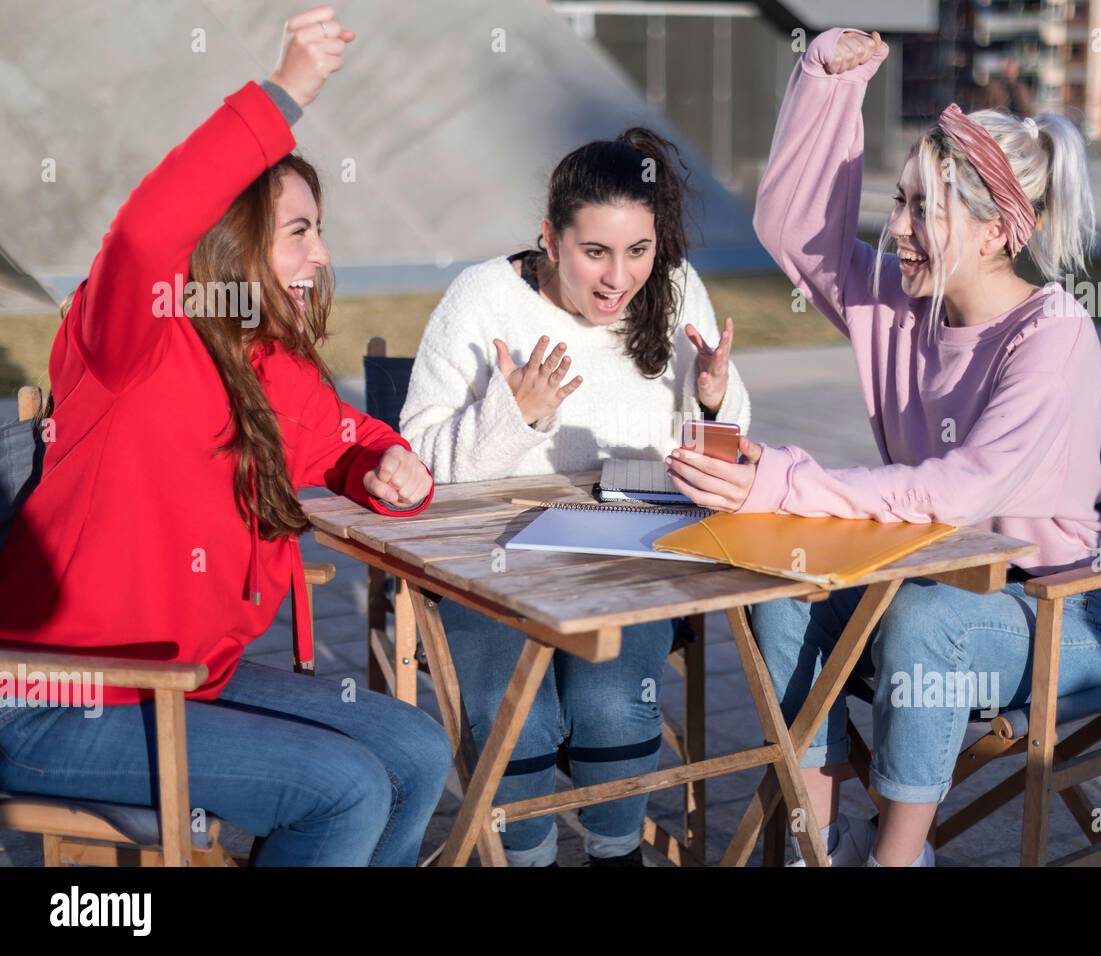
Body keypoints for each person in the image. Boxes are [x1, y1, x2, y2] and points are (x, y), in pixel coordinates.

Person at [0, 7, 450, 867]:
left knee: (417, 752)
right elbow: (144, 230)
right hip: (54, 697)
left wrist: (383, 465)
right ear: (232, 241)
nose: (321, 254)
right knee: (344, 788)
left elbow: (345, 437)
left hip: (182, 684)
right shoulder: (134, 334)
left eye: (319, 229)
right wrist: (282, 94)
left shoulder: (265, 356)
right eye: (298, 232)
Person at [665, 28, 1101, 867]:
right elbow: (796, 229)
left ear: (993, 235)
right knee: (780, 584)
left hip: (1052, 615)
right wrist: (831, 84)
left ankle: (899, 856)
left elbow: (955, 492)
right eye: (898, 200)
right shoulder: (902, 305)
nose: (896, 227)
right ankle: (820, 839)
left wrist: (781, 480)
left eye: (921, 208)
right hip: (919, 579)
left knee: (924, 618)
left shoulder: (1054, 335)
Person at [400, 129, 751, 866]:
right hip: (491, 558)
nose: (617, 278)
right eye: (594, 251)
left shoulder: (677, 288)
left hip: (626, 553)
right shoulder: (482, 298)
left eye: (637, 251)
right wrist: (514, 415)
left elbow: (723, 463)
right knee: (514, 708)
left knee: (613, 699)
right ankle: (525, 856)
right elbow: (416, 464)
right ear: (550, 239)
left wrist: (716, 406)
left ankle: (615, 852)